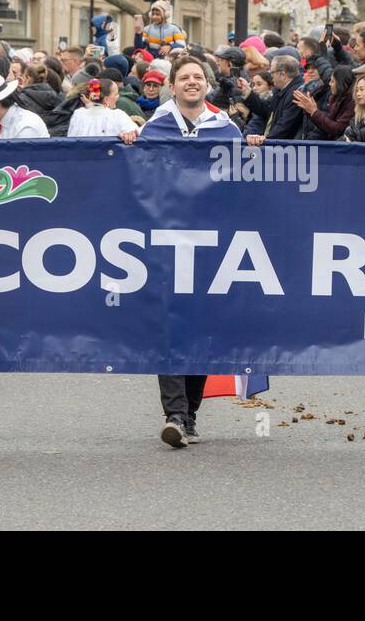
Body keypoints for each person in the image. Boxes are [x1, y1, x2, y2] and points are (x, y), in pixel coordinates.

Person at [124, 56, 241, 448]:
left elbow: (245, 183)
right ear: (172, 87)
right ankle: (173, 413)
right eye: (184, 78)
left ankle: (190, 412)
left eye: (197, 77)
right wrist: (128, 145)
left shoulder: (227, 129)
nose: (192, 83)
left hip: (213, 243)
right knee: (169, 324)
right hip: (166, 240)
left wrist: (255, 147)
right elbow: (135, 180)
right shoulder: (154, 128)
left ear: (206, 85)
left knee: (202, 325)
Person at [239, 55, 305, 144]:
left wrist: (266, 140)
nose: (271, 75)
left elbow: (285, 125)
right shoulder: (280, 89)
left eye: (272, 72)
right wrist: (248, 92)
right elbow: (266, 109)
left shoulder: (297, 92)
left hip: (286, 149)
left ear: (282, 75)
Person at [67, 77, 139, 138]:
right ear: (106, 99)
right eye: (116, 94)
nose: (118, 96)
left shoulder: (78, 114)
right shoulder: (118, 116)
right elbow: (138, 134)